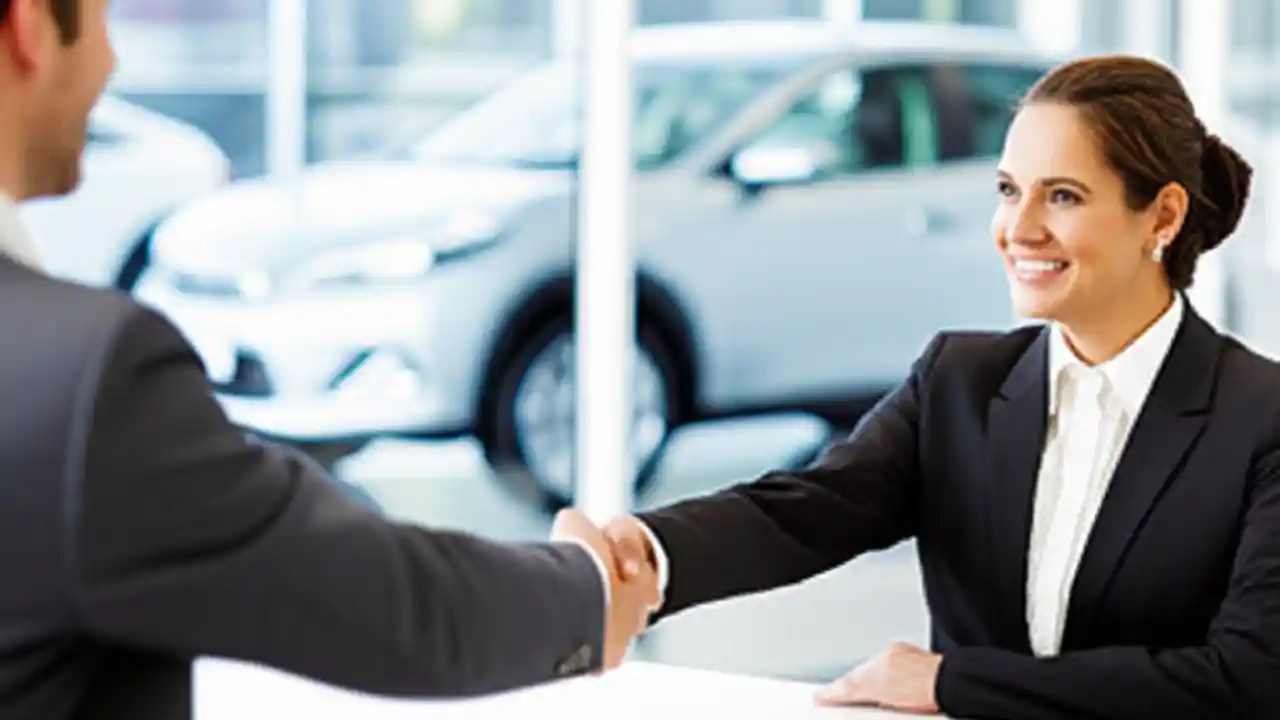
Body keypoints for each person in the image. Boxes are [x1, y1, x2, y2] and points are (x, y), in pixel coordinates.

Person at [565, 54, 1280, 719]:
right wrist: (647, 554)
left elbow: (1247, 678)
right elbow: (804, 512)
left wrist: (947, 683)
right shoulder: (959, 383)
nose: (1018, 228)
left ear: (1163, 215)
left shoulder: (1261, 418)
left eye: (1061, 196)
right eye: (1008, 191)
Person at [0, 2, 657, 719]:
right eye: (98, 16)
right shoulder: (80, 379)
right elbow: (397, 607)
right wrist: (591, 590)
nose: (111, 62)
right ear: (28, 26)